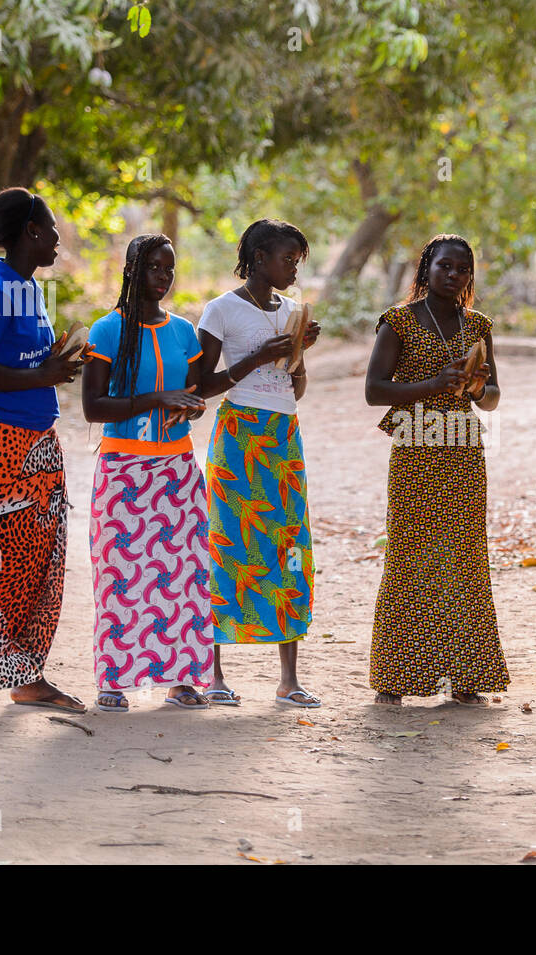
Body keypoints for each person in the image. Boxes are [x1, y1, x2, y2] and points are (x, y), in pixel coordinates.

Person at [0, 188, 85, 716]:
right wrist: (41, 374)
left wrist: (50, 362)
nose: (55, 239)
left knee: (40, 563)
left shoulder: (24, 290)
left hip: (36, 443)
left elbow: (15, 359)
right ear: (29, 232)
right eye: (50, 229)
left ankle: (25, 676)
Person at [364, 233, 508, 706]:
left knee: (464, 558)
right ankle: (397, 678)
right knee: (412, 555)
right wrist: (431, 383)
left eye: (463, 269)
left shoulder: (479, 325)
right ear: (427, 269)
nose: (454, 275)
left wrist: (475, 390)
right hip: (415, 449)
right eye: (445, 266)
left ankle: (466, 676)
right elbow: (374, 390)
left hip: (463, 450)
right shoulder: (399, 322)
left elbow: (494, 399)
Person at [83, 233, 213, 712]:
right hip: (124, 469)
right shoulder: (108, 330)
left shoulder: (183, 331)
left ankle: (180, 680)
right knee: (119, 572)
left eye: (169, 270)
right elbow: (94, 407)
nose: (162, 278)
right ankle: (113, 680)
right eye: (153, 268)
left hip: (177, 470)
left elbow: (194, 397)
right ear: (132, 269)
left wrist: (188, 409)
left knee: (183, 575)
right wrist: (157, 399)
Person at [197, 219, 321, 707]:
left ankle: (288, 680)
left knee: (290, 545)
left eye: (297, 261)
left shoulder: (292, 312)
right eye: (287, 259)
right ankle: (214, 674)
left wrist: (296, 353)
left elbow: (297, 390)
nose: (293, 268)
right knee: (228, 542)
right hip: (238, 435)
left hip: (284, 438)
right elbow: (201, 386)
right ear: (258, 258)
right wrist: (254, 359)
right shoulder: (221, 310)